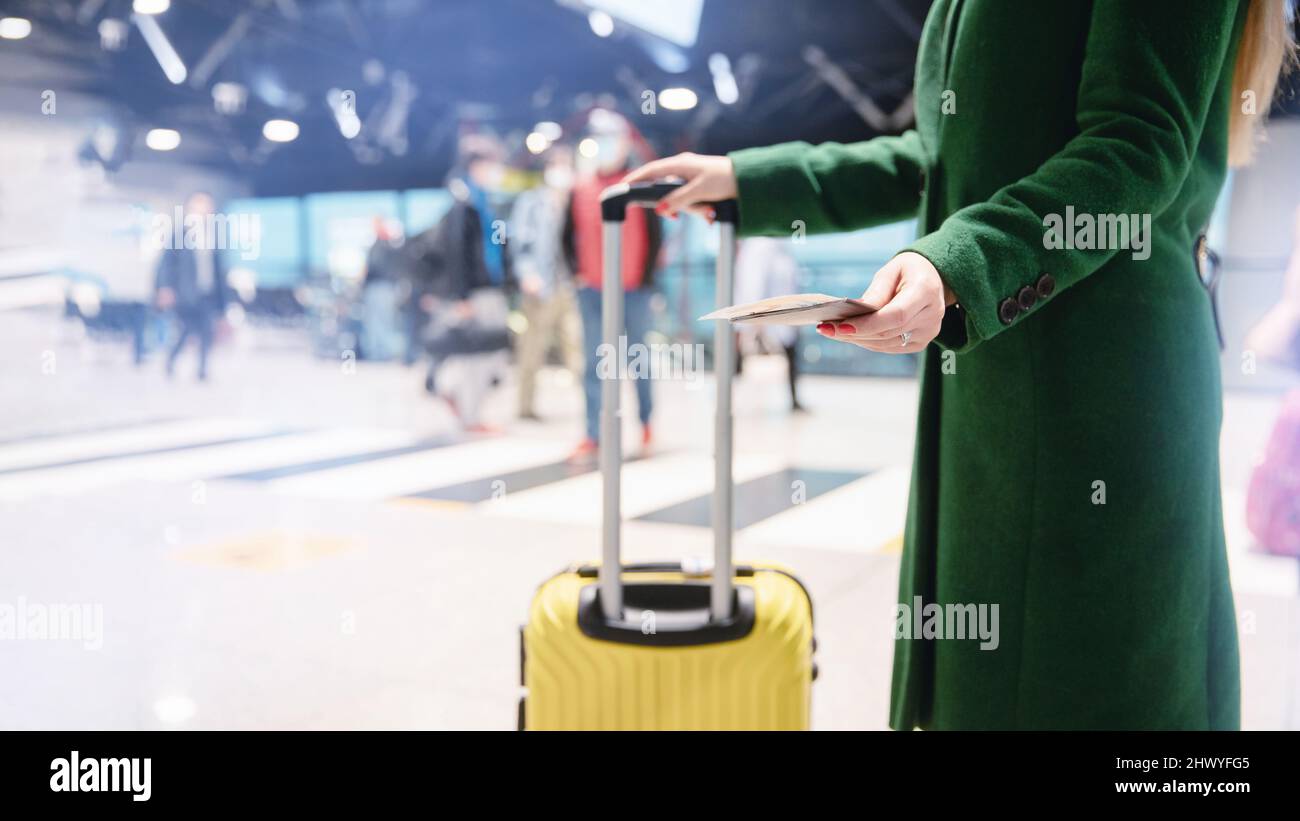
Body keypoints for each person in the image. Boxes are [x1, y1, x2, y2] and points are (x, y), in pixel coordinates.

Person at [626, 0, 1296, 730]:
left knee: (1096, 678)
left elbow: (1138, 145)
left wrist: (957, 263)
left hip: (1096, 381)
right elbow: (938, 160)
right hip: (995, 369)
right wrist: (753, 180)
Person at [564, 112, 662, 463]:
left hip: (634, 289)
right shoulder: (580, 187)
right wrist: (576, 273)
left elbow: (655, 235)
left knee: (640, 360)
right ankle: (593, 433)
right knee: (593, 364)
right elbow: (566, 235)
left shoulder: (639, 188)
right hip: (592, 290)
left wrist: (649, 278)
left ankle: (647, 423)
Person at [512, 145, 584, 421]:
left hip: (570, 287)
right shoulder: (531, 202)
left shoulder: (576, 201)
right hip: (540, 287)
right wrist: (527, 274)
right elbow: (521, 244)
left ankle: (588, 408)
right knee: (531, 351)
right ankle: (525, 407)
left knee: (577, 349)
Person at [154, 192, 228, 382]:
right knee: (186, 330)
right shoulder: (180, 235)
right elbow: (165, 264)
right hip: (185, 294)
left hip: (207, 293)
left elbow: (218, 269)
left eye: (207, 209)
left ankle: (202, 370)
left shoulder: (213, 236)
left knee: (206, 331)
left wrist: (225, 298)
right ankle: (171, 359)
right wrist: (164, 288)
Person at [733, 237, 804, 412]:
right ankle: (730, 399)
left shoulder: (776, 244)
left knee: (789, 355)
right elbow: (754, 283)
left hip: (782, 314)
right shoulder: (761, 245)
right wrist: (756, 319)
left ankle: (794, 401)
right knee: (740, 359)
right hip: (767, 315)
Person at [360, 216, 405, 361]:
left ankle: (387, 353)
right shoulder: (377, 244)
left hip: (383, 287)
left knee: (385, 321)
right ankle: (377, 354)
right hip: (375, 287)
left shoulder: (386, 243)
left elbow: (377, 266)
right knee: (375, 322)